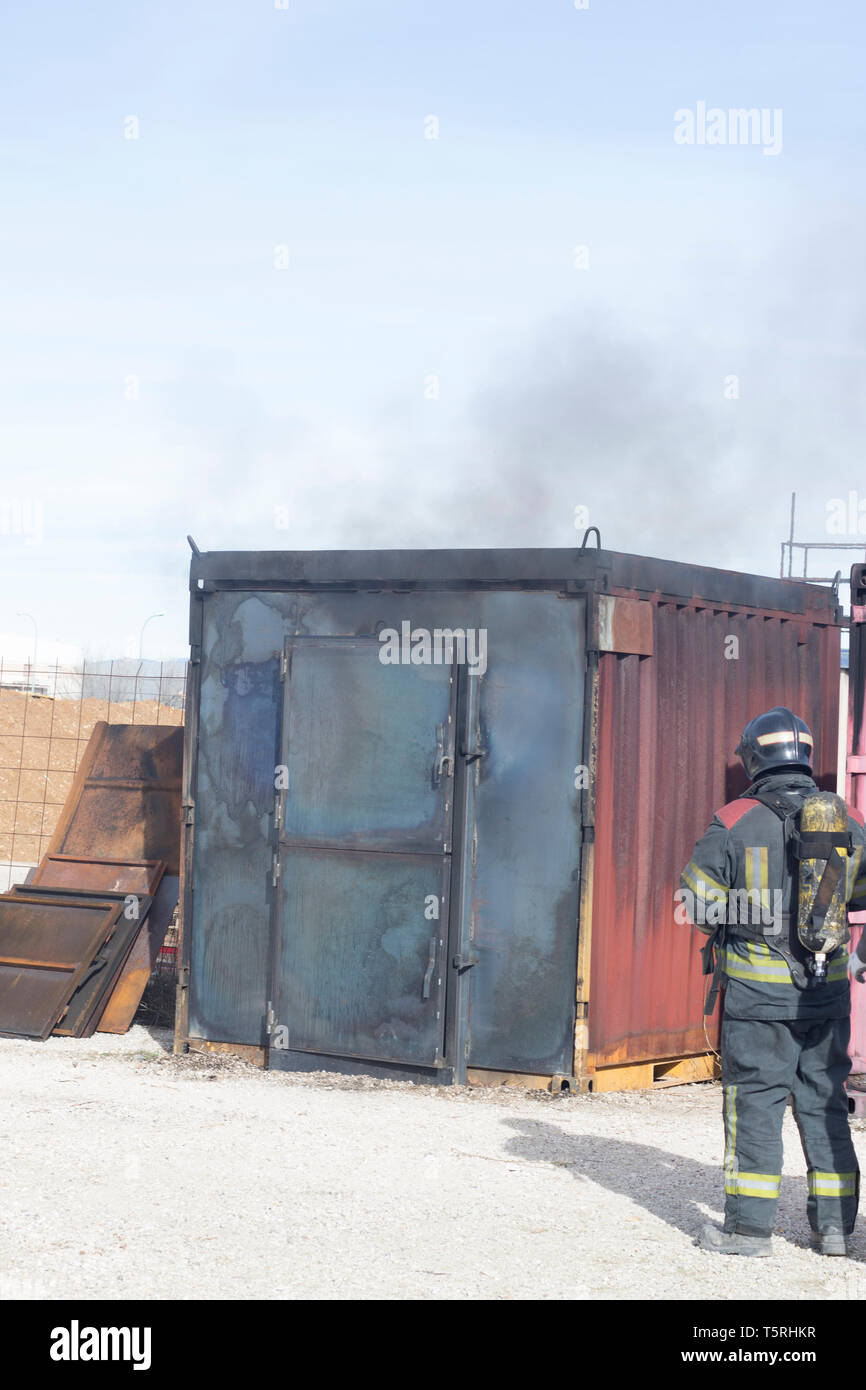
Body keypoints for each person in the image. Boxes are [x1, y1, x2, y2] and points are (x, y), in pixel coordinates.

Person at [678, 706, 866, 1256]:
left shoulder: (734, 820)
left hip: (758, 1002)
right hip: (826, 997)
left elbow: (694, 903)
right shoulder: (848, 821)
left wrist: (751, 912)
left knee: (754, 1104)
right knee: (825, 1105)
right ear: (804, 756)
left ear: (754, 758)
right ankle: (833, 1232)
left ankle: (748, 1232)